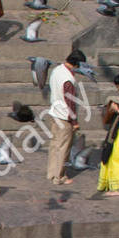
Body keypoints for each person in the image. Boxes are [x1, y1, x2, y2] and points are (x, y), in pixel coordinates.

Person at [47, 50, 83, 186]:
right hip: (64, 116)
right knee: (63, 148)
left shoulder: (56, 70)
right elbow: (70, 103)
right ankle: (59, 176)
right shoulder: (68, 79)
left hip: (54, 112)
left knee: (55, 145)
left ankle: (51, 173)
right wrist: (74, 122)